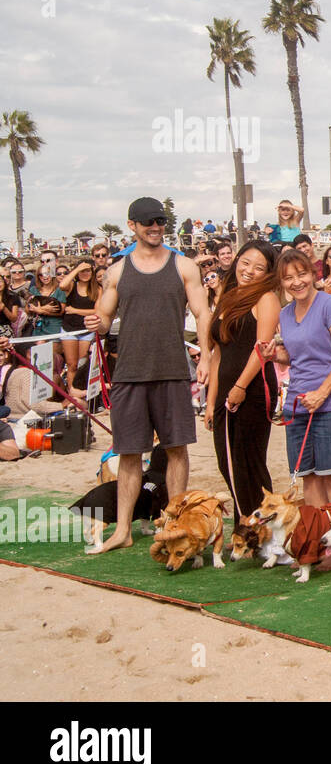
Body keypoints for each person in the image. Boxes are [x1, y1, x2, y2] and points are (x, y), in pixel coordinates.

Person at [86, 196, 212, 554]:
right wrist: (98, 321)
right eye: (148, 222)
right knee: (128, 454)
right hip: (129, 373)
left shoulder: (184, 266)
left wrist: (204, 357)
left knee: (176, 449)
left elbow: (202, 314)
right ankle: (123, 529)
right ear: (133, 226)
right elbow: (106, 318)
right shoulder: (117, 271)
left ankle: (177, 523)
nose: (156, 228)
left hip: (172, 370)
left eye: (160, 222)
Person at [269, 248, 331, 508]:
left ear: (313, 273)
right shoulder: (285, 314)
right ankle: (318, 544)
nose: (296, 282)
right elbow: (298, 356)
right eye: (288, 278)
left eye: (301, 274)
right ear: (281, 282)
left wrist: (322, 393)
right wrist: (275, 356)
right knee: (308, 477)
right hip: (298, 404)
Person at [205, 242, 279, 519]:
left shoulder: (266, 298)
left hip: (254, 389)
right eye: (245, 262)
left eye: (259, 267)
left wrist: (240, 387)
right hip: (225, 389)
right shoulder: (228, 295)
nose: (249, 271)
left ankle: (257, 528)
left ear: (268, 272)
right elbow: (217, 353)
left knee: (248, 463)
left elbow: (262, 348)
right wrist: (211, 400)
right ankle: (245, 522)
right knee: (227, 463)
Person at [58, 259, 99, 383]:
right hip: (69, 330)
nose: (85, 273)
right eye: (82, 271)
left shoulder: (97, 289)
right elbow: (62, 285)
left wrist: (75, 310)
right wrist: (76, 269)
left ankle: (81, 392)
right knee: (71, 365)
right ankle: (71, 394)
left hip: (87, 330)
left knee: (82, 365)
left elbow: (96, 311)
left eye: (88, 271)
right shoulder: (72, 286)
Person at [27, 250, 66, 339]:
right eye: (42, 261)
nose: (44, 276)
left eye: (48, 260)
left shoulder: (62, 284)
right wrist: (43, 309)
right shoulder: (34, 286)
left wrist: (41, 310)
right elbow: (29, 308)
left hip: (56, 327)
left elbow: (61, 310)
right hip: (38, 326)